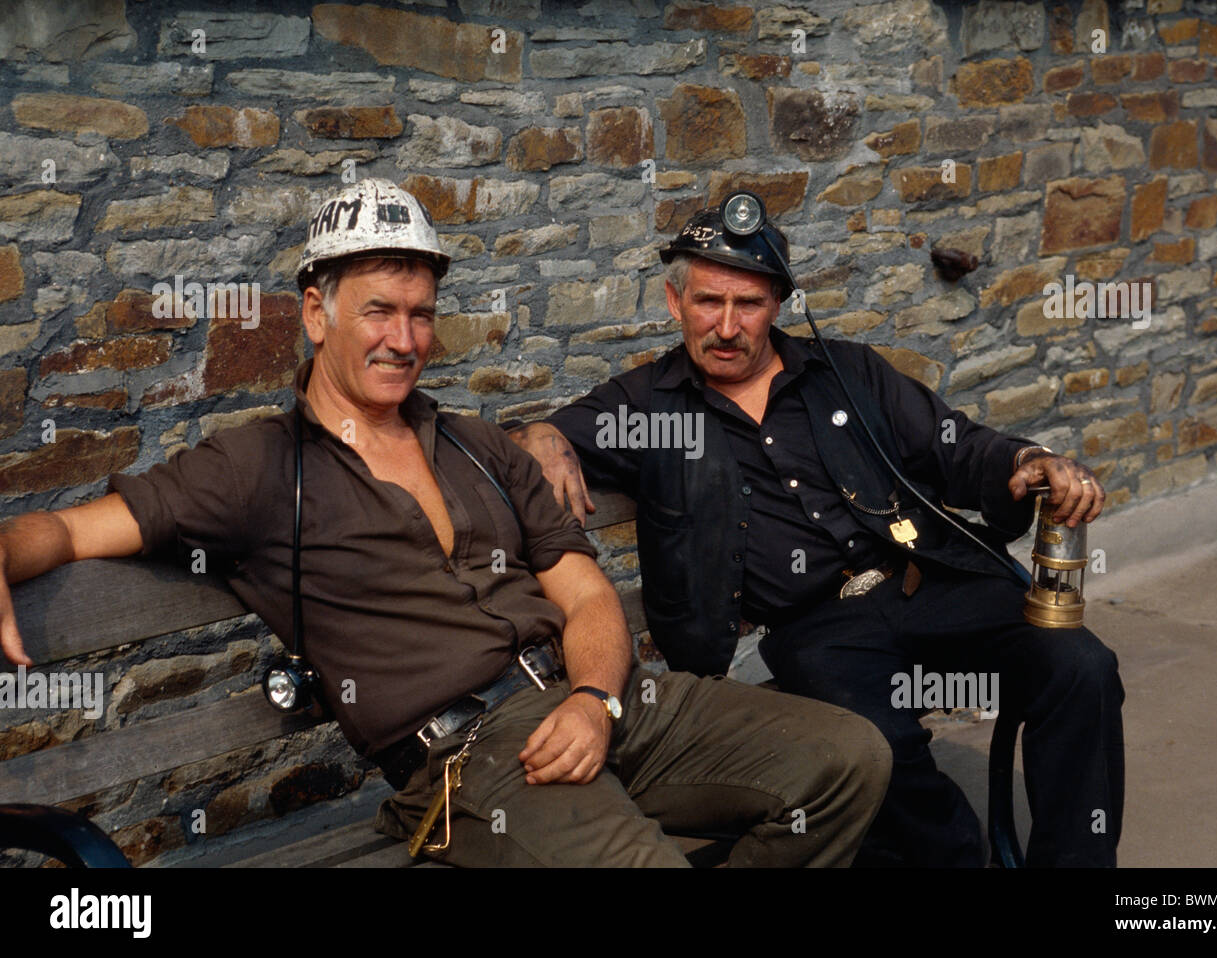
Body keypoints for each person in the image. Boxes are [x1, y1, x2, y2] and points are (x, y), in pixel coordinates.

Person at [0, 180, 892, 868]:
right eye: (378, 311)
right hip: (476, 760)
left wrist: (595, 700)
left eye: (420, 314)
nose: (404, 339)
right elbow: (68, 532)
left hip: (598, 702)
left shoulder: (476, 444)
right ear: (316, 313)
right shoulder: (258, 469)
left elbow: (586, 596)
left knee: (849, 757)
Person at [511, 203, 1126, 867]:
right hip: (818, 631)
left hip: (930, 584)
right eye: (708, 301)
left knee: (1082, 667)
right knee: (875, 745)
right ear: (674, 300)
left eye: (748, 304)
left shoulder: (847, 373)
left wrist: (1026, 460)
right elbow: (517, 448)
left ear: (778, 303)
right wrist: (539, 434)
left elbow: (955, 446)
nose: (726, 327)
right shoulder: (646, 407)